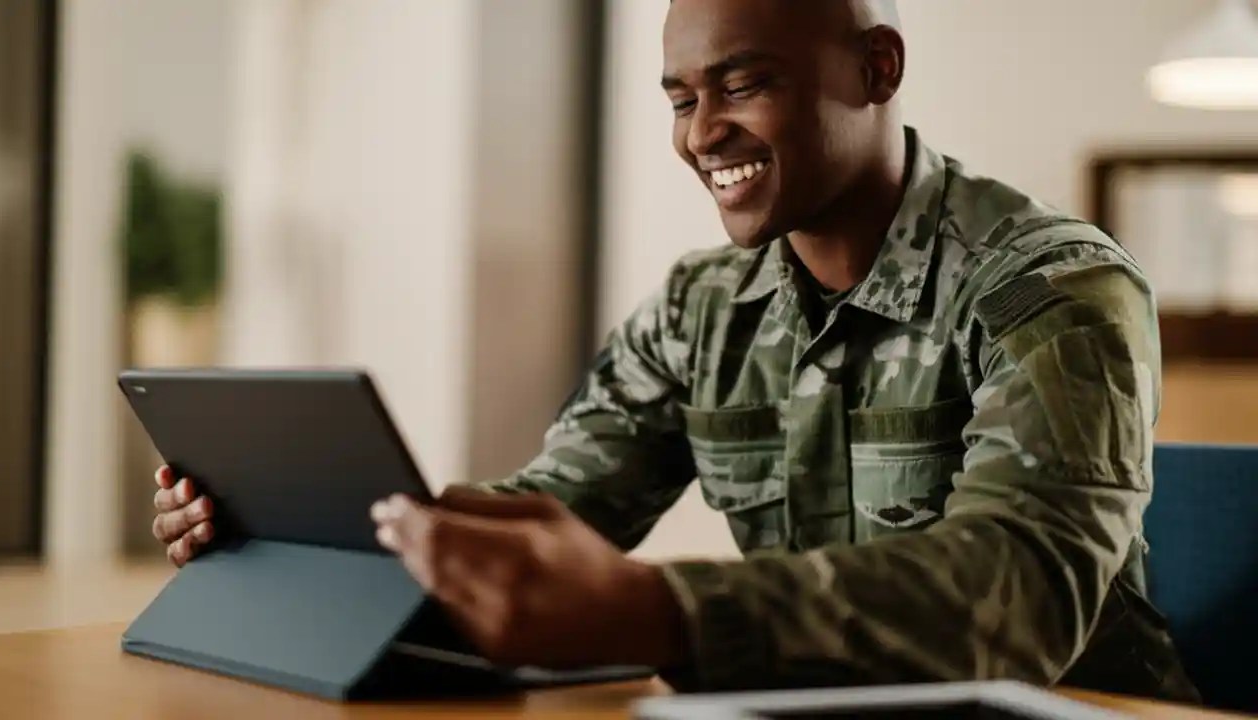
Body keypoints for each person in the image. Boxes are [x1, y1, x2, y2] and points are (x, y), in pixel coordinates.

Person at [150, 0, 1200, 701]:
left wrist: (660, 610)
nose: (702, 134)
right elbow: (555, 509)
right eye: (681, 98)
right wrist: (308, 531)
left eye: (741, 86)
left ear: (874, 68)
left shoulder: (1050, 286)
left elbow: (1016, 597)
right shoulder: (703, 305)